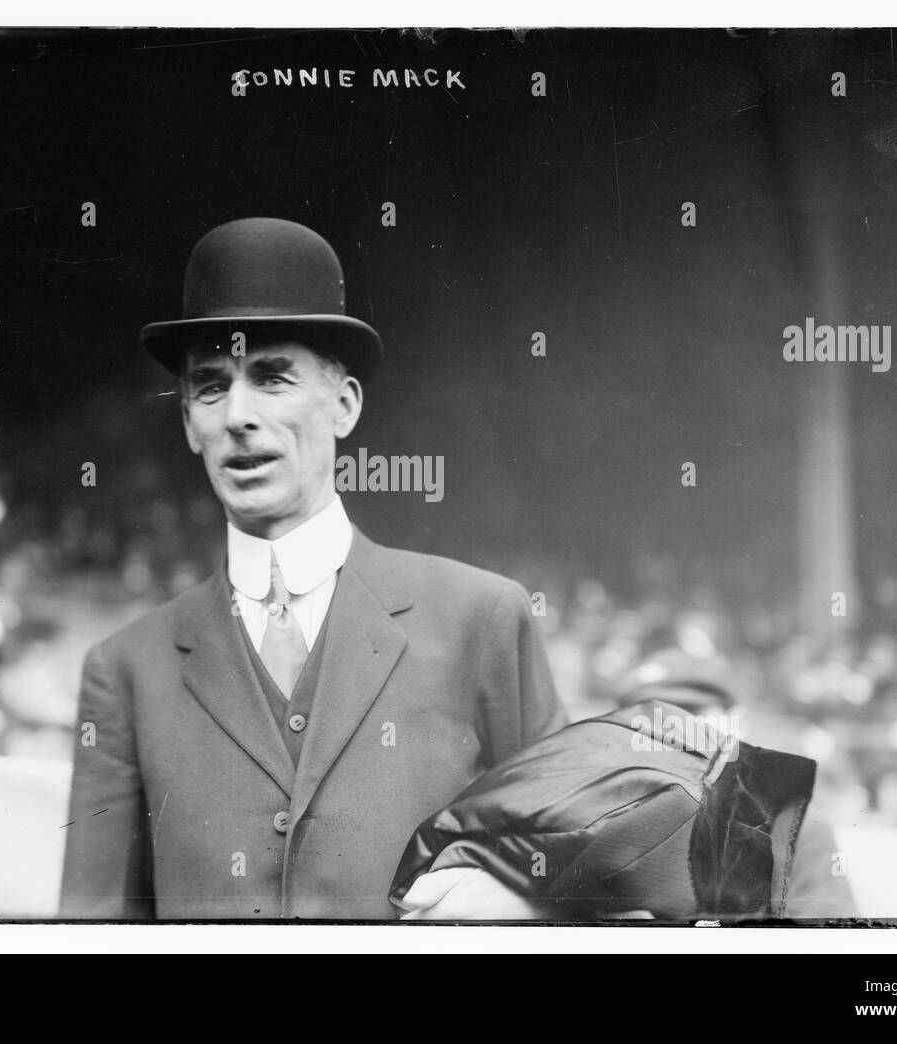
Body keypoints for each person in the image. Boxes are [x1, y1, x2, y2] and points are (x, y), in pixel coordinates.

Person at [59, 217, 568, 920]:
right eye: (210, 387)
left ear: (344, 405)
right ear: (186, 422)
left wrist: (520, 901)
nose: (239, 415)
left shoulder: (481, 619)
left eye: (271, 378)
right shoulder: (127, 671)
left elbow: (581, 869)